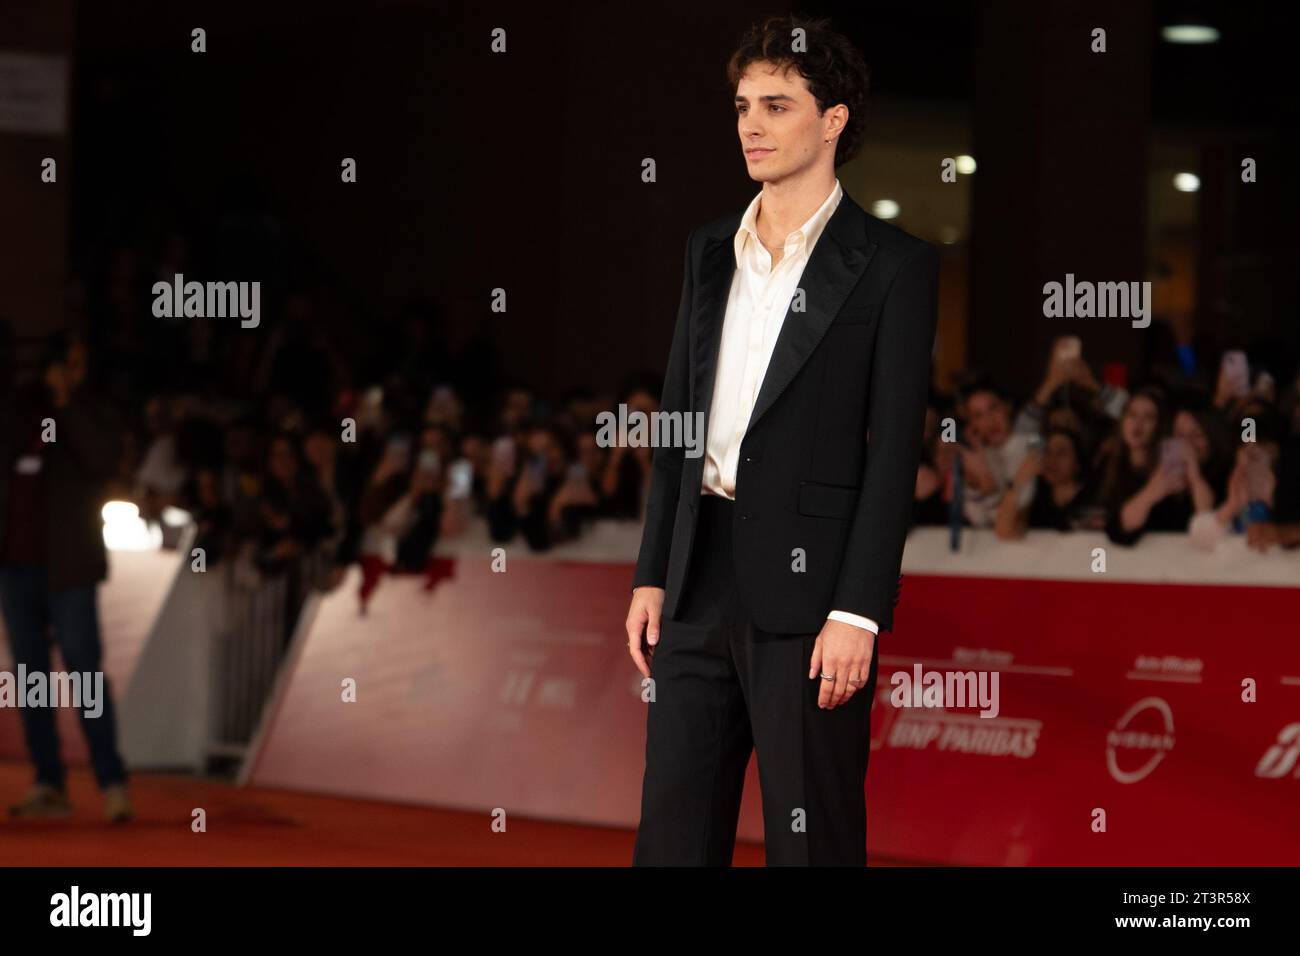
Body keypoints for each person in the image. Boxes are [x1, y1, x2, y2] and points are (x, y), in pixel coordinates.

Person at [625, 16, 938, 866]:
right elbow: (679, 418)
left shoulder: (893, 267)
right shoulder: (707, 252)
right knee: (672, 841)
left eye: (776, 105)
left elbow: (890, 459)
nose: (751, 126)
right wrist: (655, 568)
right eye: (741, 106)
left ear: (833, 120)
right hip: (695, 582)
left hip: (813, 598)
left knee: (813, 846)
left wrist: (858, 610)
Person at [0, 332, 132, 821]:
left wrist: (66, 405)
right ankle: (48, 781)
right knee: (31, 678)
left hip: (70, 569)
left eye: (79, 365)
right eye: (65, 364)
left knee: (85, 673)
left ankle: (112, 781)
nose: (72, 373)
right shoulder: (17, 412)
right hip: (16, 568)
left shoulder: (94, 412)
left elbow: (102, 458)